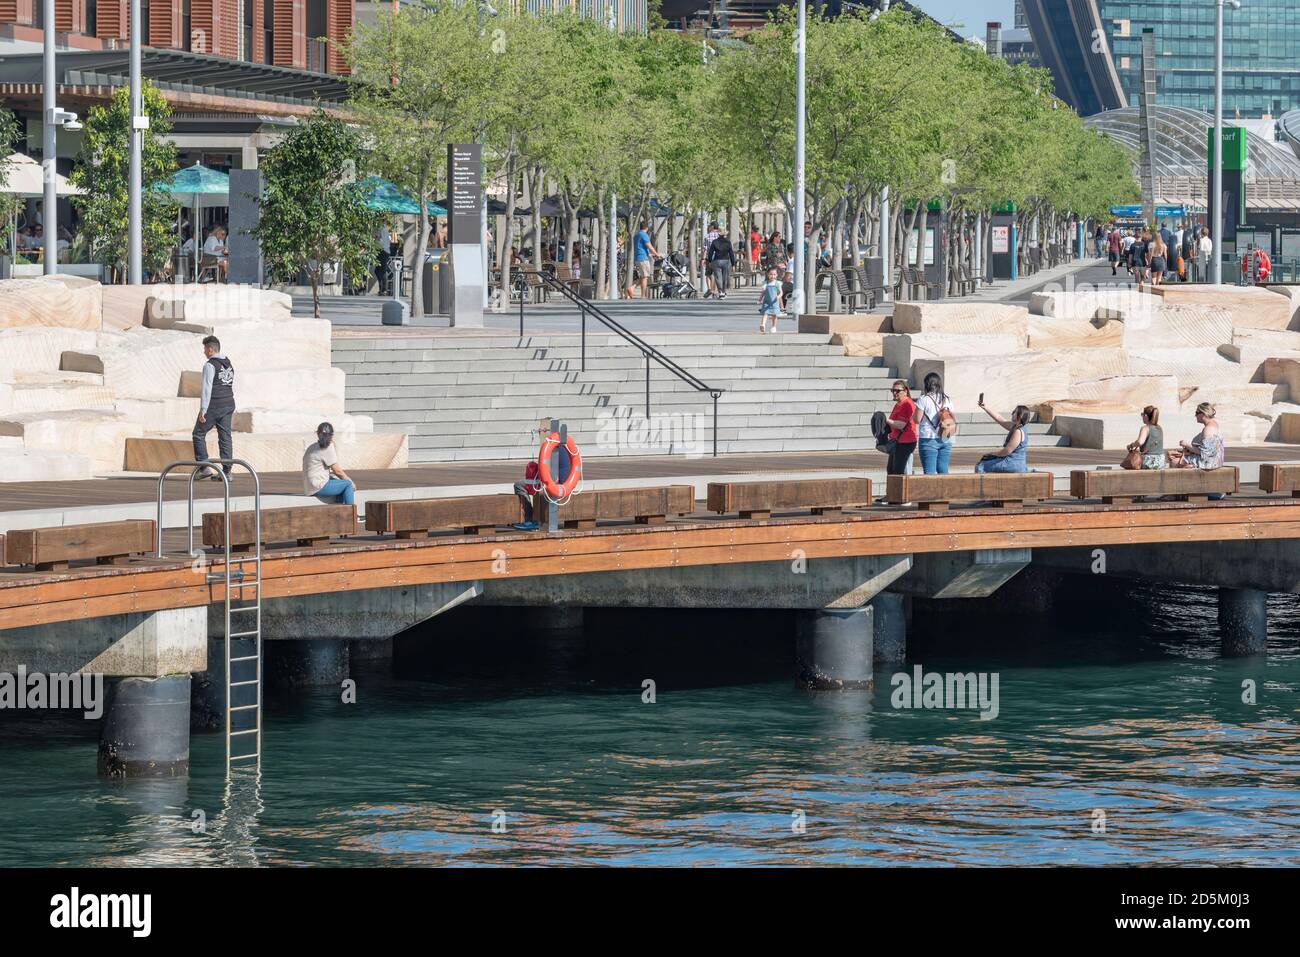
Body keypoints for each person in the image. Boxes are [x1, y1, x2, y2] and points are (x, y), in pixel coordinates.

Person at [192, 335, 235, 482]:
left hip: (214, 405)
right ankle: (227, 472)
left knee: (198, 434)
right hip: (228, 403)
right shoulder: (228, 363)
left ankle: (204, 467)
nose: (204, 352)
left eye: (205, 349)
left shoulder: (210, 365)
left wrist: (203, 410)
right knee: (225, 437)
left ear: (210, 349)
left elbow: (206, 388)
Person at [911, 372, 955, 474]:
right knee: (943, 470)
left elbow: (917, 420)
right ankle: (945, 489)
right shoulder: (947, 399)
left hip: (928, 439)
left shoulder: (923, 399)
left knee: (929, 471)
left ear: (926, 384)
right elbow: (952, 417)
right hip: (946, 436)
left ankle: (931, 490)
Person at [302, 422, 355, 505]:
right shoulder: (328, 447)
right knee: (347, 484)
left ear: (318, 434)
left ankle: (339, 512)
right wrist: (352, 482)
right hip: (318, 487)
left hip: (309, 488)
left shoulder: (311, 447)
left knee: (339, 483)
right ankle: (353, 515)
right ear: (332, 435)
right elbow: (337, 471)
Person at [974, 401, 1031, 473]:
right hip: (1014, 462)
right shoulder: (1015, 426)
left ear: (1020, 416)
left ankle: (982, 484)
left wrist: (993, 454)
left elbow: (1007, 451)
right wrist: (985, 407)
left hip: (1012, 463)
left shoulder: (1018, 432)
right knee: (987, 460)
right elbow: (999, 418)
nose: (1012, 413)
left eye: (1015, 412)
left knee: (980, 466)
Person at [1168, 402, 1224, 470]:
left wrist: (1186, 445)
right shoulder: (1214, 425)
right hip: (1216, 461)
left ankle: (1183, 480)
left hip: (1209, 463)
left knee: (1174, 462)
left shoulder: (1208, 429)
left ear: (1204, 413)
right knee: (1172, 455)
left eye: (1197, 413)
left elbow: (1204, 454)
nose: (1195, 415)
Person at [884, 381, 917, 476]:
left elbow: (901, 424)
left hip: (906, 442)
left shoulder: (907, 404)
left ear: (905, 391)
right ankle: (894, 490)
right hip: (898, 441)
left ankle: (900, 490)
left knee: (897, 471)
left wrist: (885, 419)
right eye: (892, 390)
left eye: (897, 391)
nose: (894, 393)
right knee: (891, 470)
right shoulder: (899, 403)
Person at [629, 221, 658, 300]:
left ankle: (632, 288)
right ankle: (642, 295)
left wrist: (651, 254)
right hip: (643, 258)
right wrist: (656, 253)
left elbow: (641, 247)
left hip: (638, 257)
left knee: (643, 276)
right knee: (645, 277)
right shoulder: (644, 235)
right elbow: (649, 246)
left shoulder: (637, 235)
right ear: (647, 227)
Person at [707, 228, 736, 300]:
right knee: (724, 277)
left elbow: (710, 253)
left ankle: (720, 292)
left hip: (717, 261)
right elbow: (731, 253)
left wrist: (710, 261)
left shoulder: (714, 242)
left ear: (718, 234)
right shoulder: (728, 242)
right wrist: (733, 264)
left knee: (718, 277)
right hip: (726, 261)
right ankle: (724, 291)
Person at [758, 266, 783, 333]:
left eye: (774, 274)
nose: (772, 276)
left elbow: (781, 292)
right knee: (765, 313)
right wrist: (760, 299)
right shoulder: (766, 283)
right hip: (767, 301)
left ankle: (773, 327)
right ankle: (763, 324)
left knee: (774, 315)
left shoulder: (777, 283)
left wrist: (778, 296)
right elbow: (763, 292)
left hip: (774, 302)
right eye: (771, 274)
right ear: (768, 275)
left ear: (777, 275)